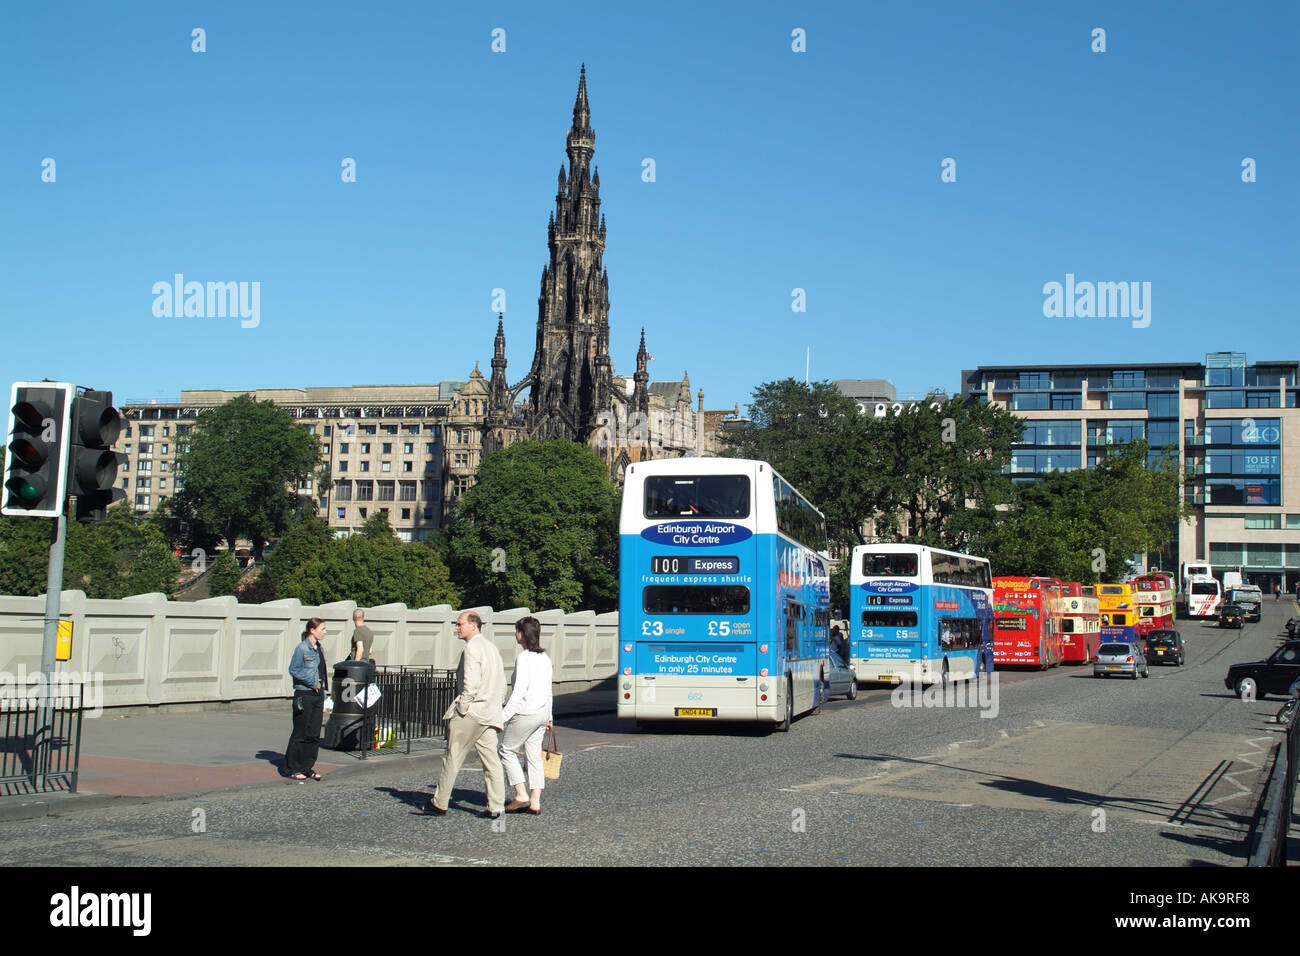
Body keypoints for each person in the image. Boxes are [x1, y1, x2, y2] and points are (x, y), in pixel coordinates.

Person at [427, 612, 507, 818]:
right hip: (489, 712)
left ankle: (439, 802)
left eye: (459, 624)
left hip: (472, 712)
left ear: (473, 626)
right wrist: (496, 704)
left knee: (452, 756)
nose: (456, 628)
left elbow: (470, 685)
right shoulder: (491, 647)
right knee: (492, 762)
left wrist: (462, 708)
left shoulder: (471, 648)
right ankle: (496, 807)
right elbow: (502, 682)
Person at [499, 616, 553, 815]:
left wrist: (502, 717)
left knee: (507, 750)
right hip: (541, 713)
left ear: (522, 634)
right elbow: (548, 691)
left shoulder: (524, 658)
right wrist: (550, 718)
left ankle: (520, 793)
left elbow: (519, 691)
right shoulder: (545, 658)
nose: (516, 634)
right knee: (534, 757)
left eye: (517, 631)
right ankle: (535, 802)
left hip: (526, 712)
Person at [285, 617, 329, 782]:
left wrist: (324, 693)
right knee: (300, 732)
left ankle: (306, 766)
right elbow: (294, 669)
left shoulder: (319, 648)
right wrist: (312, 682)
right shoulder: (302, 648)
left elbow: (322, 673)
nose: (325, 632)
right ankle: (292, 768)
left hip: (318, 695)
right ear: (312, 630)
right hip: (304, 694)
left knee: (314, 733)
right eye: (322, 629)